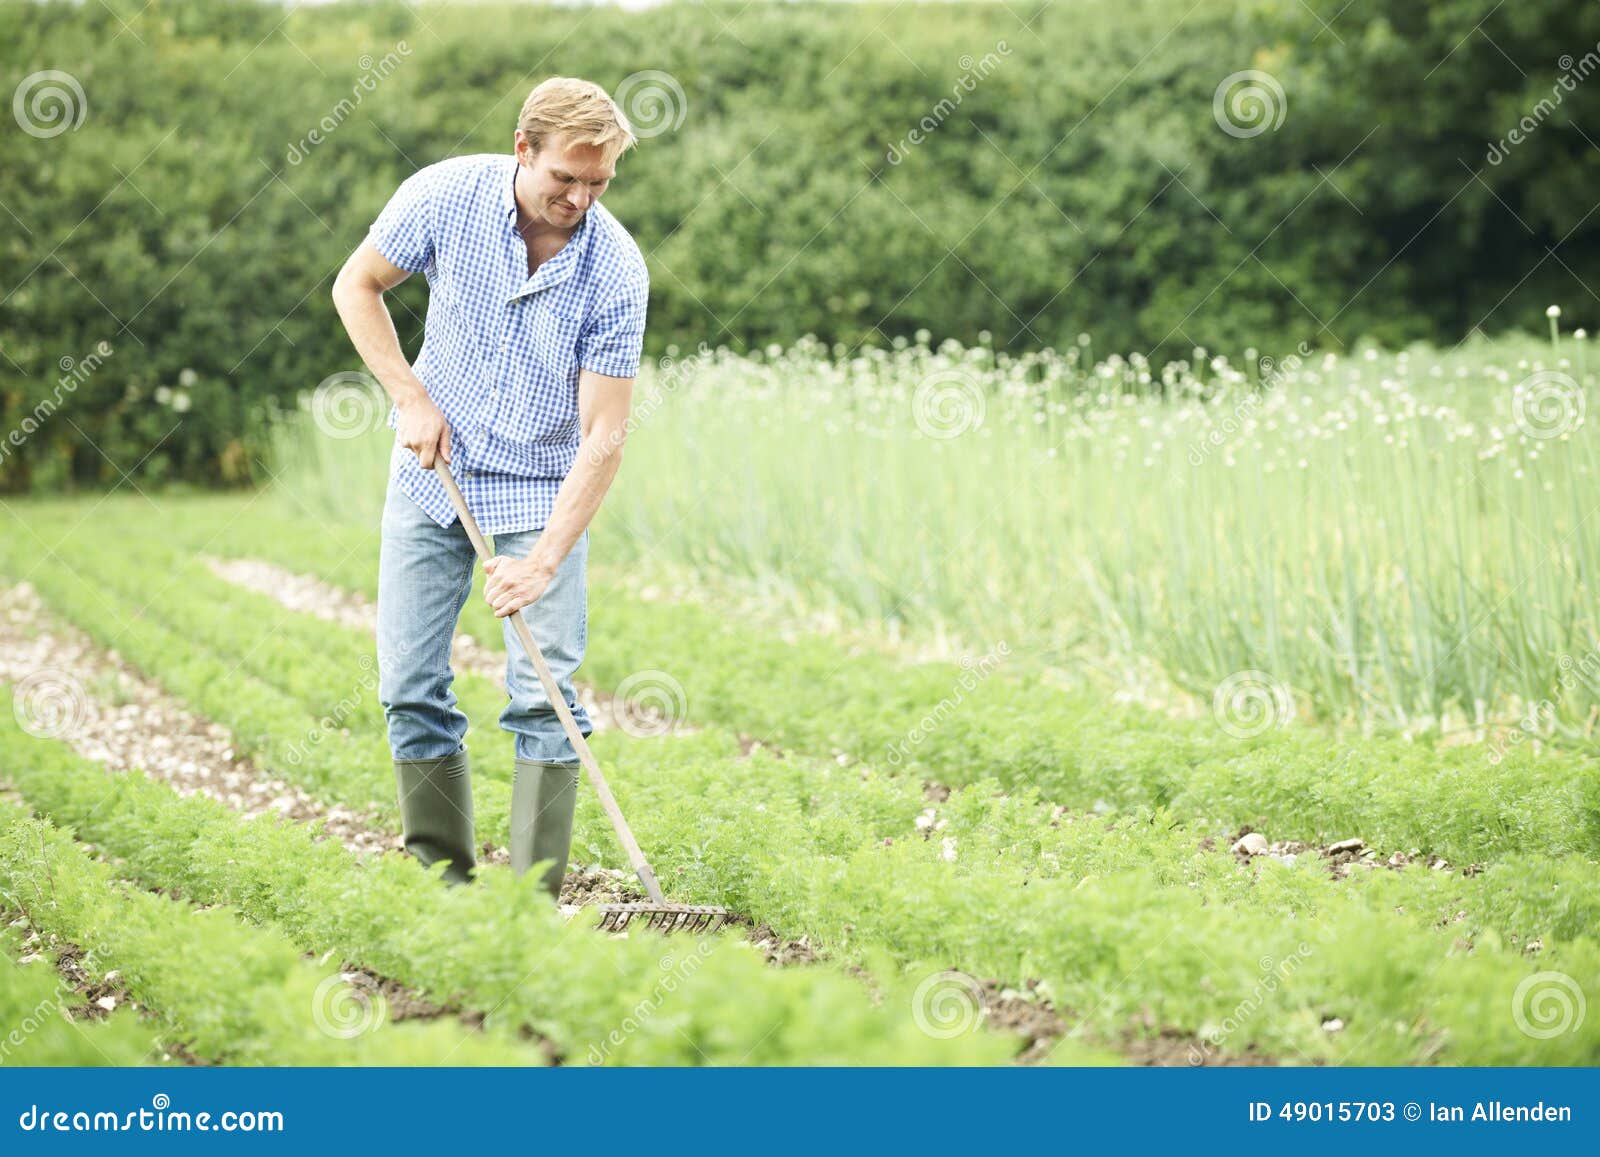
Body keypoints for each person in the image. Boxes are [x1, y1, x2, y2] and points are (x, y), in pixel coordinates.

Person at [331, 76, 648, 898]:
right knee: (409, 685)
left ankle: (532, 903)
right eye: (564, 179)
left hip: (542, 483)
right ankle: (449, 891)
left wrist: (543, 558)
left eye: (598, 183)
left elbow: (603, 435)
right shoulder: (444, 195)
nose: (579, 198)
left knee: (546, 697)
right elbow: (355, 285)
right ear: (523, 150)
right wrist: (409, 393)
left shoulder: (616, 270)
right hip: (435, 469)